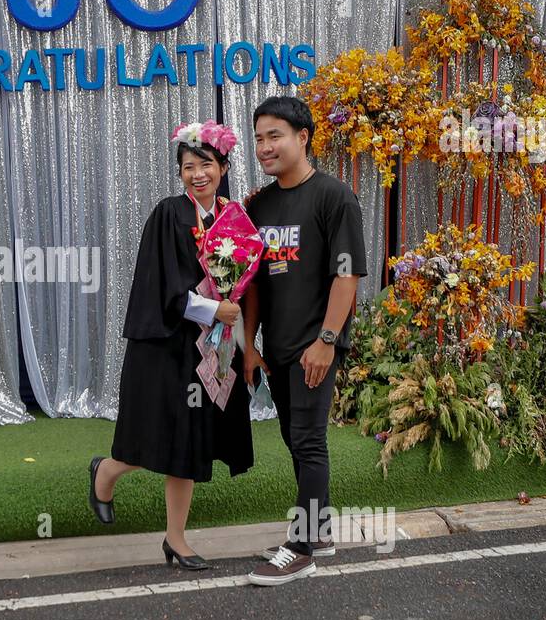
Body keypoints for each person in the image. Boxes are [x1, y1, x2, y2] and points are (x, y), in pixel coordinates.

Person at [87, 121, 253, 570]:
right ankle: (106, 472)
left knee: (189, 445)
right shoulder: (169, 214)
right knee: (154, 436)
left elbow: (238, 282)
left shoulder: (233, 220)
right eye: (187, 167)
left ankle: (175, 540)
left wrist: (231, 316)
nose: (197, 174)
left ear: (223, 166)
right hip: (165, 345)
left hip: (209, 348)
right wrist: (211, 310)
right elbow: (159, 286)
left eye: (206, 164)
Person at [241, 96, 366, 586]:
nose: (265, 147)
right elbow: (251, 282)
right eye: (259, 138)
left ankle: (300, 548)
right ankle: (320, 532)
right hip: (278, 347)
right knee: (295, 439)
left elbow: (347, 274)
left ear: (303, 138)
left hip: (316, 343)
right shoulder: (259, 204)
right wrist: (250, 345)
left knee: (310, 441)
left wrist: (328, 340)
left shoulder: (334, 197)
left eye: (275, 136)